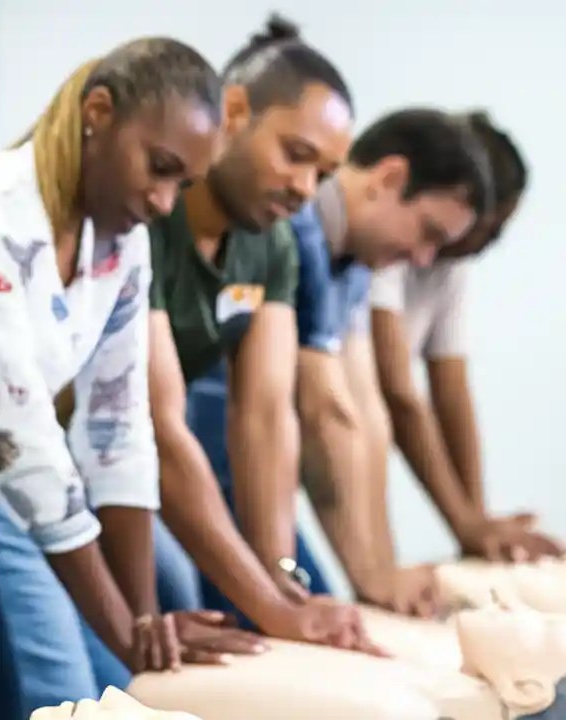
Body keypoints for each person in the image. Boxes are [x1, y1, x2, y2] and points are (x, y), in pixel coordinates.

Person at [0, 39, 262, 719]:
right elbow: (24, 442)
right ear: (98, 113)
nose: (166, 202)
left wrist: (147, 619)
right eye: (160, 169)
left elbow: (118, 427)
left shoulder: (123, 244)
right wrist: (130, 638)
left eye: (183, 184)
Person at [132, 15, 380, 651]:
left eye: (323, 174)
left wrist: (280, 584)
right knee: (176, 593)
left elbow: (266, 416)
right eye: (296, 155)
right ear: (235, 113)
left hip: (124, 469)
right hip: (69, 467)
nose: (304, 188)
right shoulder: (150, 213)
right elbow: (160, 426)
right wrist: (269, 608)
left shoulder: (273, 245)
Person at [284, 107, 496, 618]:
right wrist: (372, 577)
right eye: (428, 233)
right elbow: (324, 413)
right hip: (191, 484)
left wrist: (384, 572)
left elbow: (368, 421)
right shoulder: (300, 229)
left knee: (329, 606)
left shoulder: (354, 266)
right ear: (390, 178)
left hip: (242, 491)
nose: (424, 259)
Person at [364, 111, 563, 581]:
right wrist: (465, 523)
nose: (490, 243)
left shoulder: (448, 268)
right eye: (489, 227)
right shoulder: (392, 245)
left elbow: (452, 391)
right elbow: (398, 393)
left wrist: (476, 521)